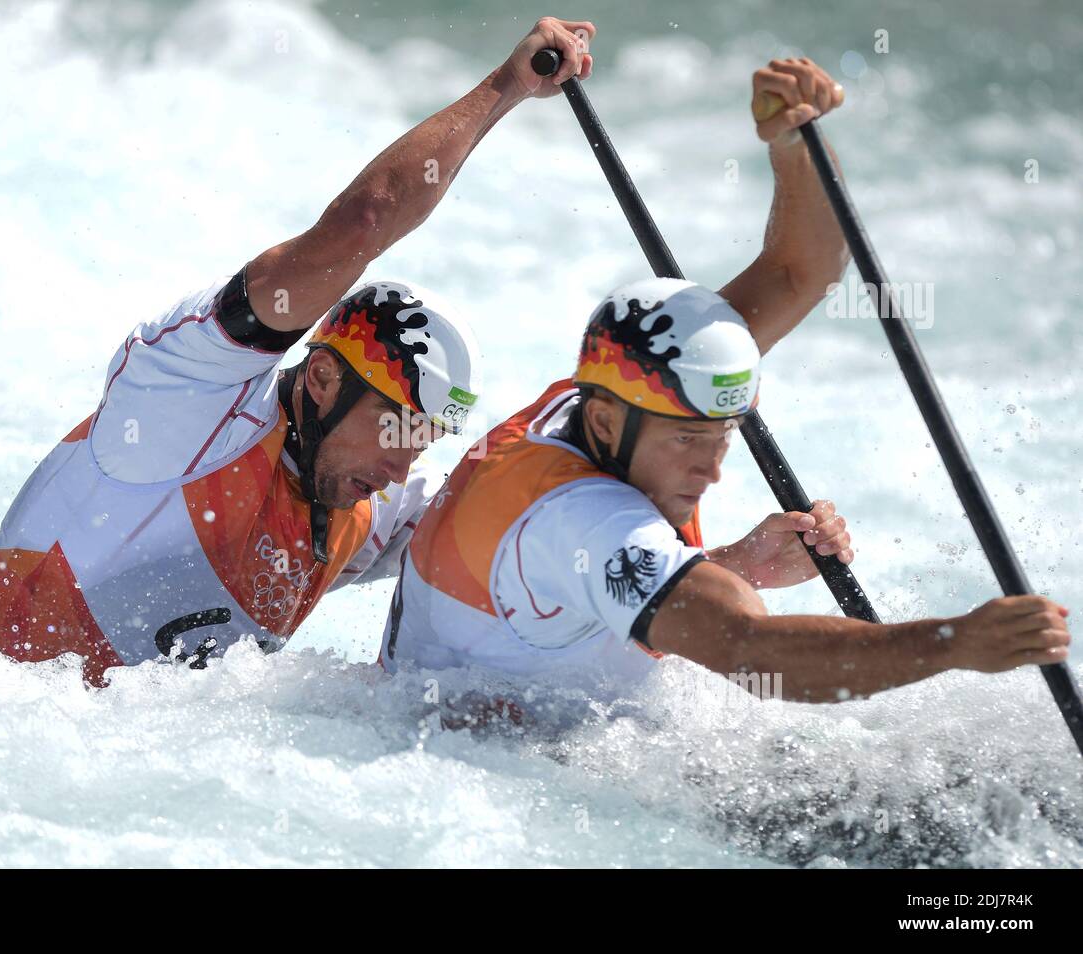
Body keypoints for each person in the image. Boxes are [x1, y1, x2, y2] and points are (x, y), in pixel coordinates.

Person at [0, 17, 602, 686]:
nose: (401, 470)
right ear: (321, 376)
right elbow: (359, 225)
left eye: (421, 441)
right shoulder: (189, 401)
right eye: (396, 428)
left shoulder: (363, 506)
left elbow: (546, 510)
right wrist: (508, 86)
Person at [381, 67, 1071, 702]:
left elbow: (798, 274)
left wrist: (797, 148)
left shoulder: (633, 378)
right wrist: (954, 643)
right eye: (688, 440)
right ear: (604, 424)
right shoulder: (572, 514)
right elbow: (750, 652)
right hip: (483, 767)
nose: (711, 470)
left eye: (724, 435)